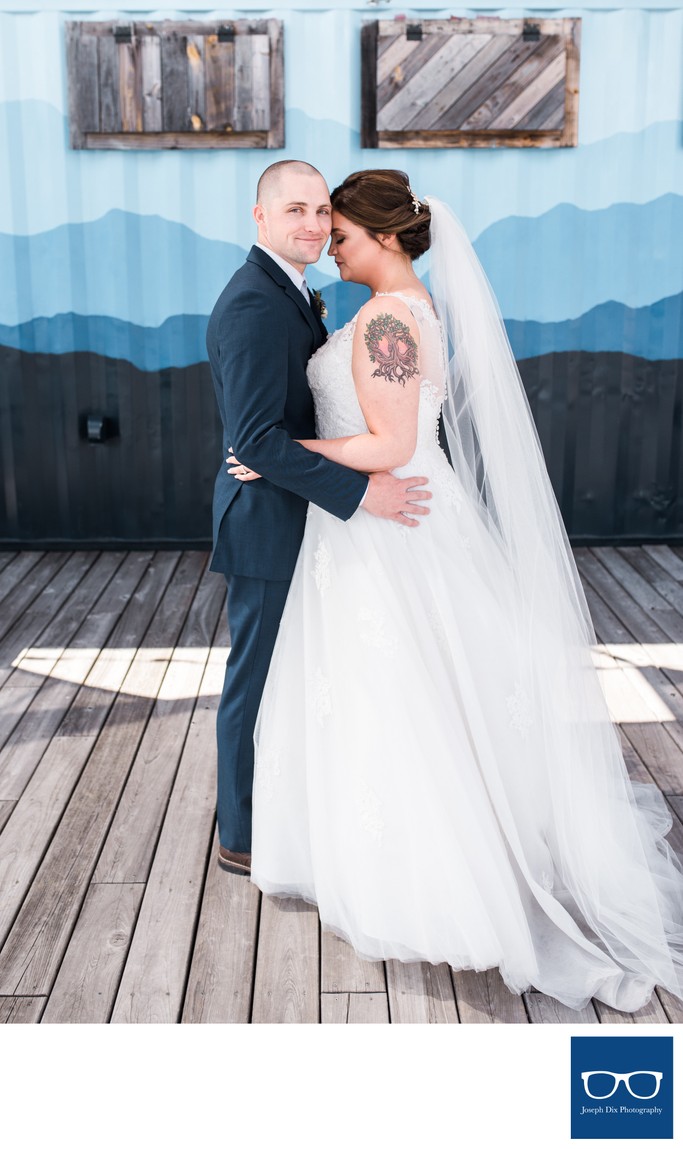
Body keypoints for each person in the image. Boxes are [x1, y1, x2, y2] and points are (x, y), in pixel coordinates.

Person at [229, 168, 683, 1012]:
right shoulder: (409, 310)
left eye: (344, 236)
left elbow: (392, 442)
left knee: (401, 691)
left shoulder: (387, 319)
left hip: (387, 523)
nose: (332, 247)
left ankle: (428, 870)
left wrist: (282, 452)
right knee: (407, 688)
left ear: (389, 239)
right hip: (381, 523)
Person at [206, 161, 431, 876]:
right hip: (269, 519)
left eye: (324, 218)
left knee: (308, 676)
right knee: (257, 679)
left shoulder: (301, 294)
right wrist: (364, 492)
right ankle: (240, 833)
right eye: (296, 211)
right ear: (260, 216)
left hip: (317, 514)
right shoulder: (252, 303)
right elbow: (258, 441)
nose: (314, 229)